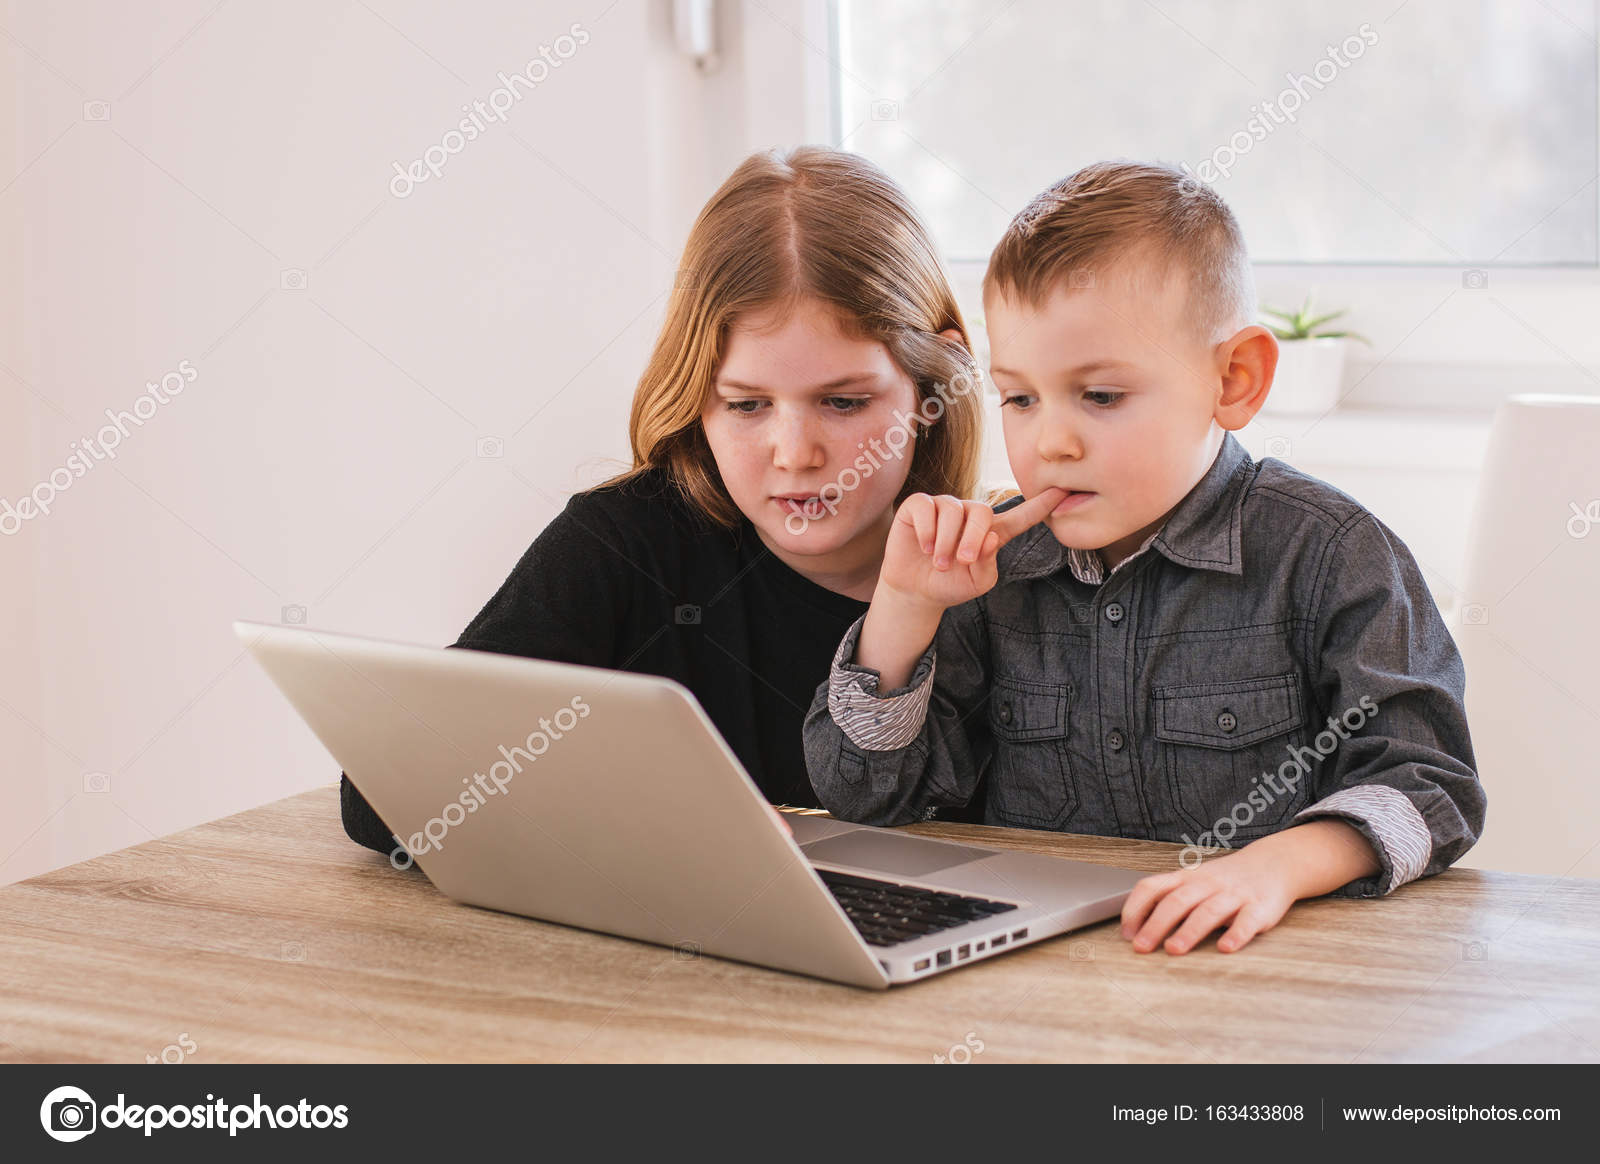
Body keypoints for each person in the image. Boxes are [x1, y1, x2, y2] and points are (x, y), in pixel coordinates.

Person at [803, 161, 1485, 955]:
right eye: (1020, 399)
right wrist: (904, 612)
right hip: (1042, 977)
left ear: (1233, 379)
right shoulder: (991, 576)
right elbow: (866, 801)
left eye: (1100, 396)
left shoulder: (1330, 555)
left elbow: (1431, 788)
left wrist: (1276, 867)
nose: (1050, 442)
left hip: (1258, 972)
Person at [341, 146, 985, 860]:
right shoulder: (627, 544)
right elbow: (383, 796)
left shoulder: (1009, 578)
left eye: (843, 402)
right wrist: (645, 819)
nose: (794, 452)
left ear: (935, 388)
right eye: (746, 405)